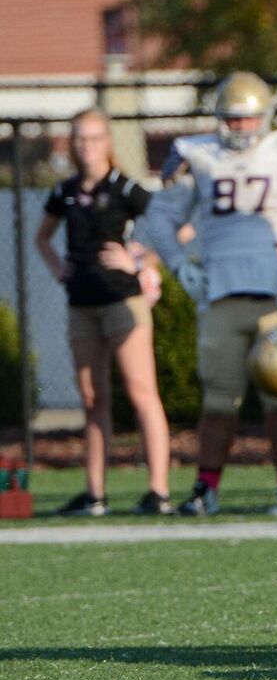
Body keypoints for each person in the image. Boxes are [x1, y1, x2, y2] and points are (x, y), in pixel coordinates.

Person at [143, 71, 277, 515]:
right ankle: (206, 488)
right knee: (219, 401)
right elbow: (159, 217)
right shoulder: (197, 154)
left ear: (265, 117)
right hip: (221, 294)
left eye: (248, 119)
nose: (240, 128)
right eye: (232, 120)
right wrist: (179, 265)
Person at [36, 108, 170, 516]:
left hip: (122, 302)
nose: (86, 146)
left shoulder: (125, 187)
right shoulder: (66, 191)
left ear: (107, 143)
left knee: (140, 392)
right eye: (79, 138)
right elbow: (42, 238)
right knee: (93, 399)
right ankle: (95, 494)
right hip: (82, 303)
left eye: (94, 138)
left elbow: (173, 228)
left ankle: (158, 491)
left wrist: (143, 264)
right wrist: (59, 267)